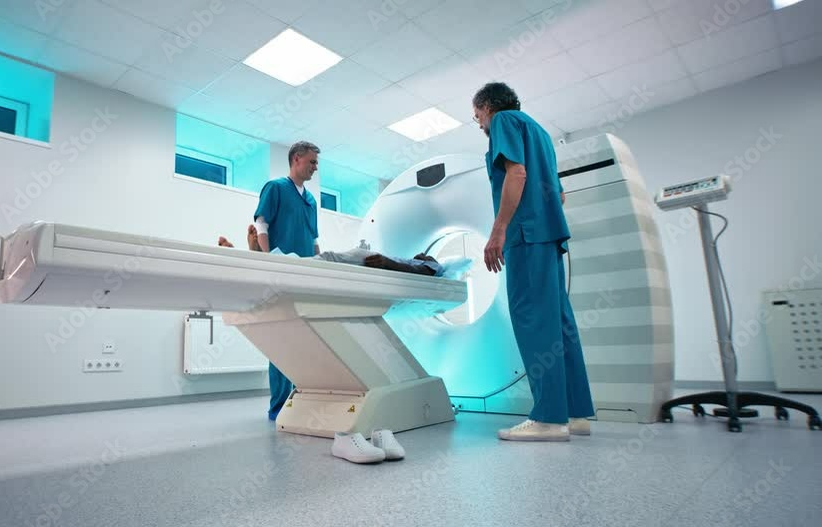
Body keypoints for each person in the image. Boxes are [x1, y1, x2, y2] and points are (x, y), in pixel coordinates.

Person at [473, 82, 595, 442]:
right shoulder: (539, 131)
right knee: (559, 324)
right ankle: (574, 413)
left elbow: (517, 173)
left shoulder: (504, 122)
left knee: (533, 322)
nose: (479, 124)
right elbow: (558, 192)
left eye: (477, 116)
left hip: (525, 236)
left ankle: (548, 418)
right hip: (549, 233)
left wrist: (499, 231)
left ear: (488, 108)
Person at [253, 141, 322, 421]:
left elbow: (314, 239)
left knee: (305, 339)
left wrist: (321, 266)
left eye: (316, 163)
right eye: (312, 162)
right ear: (296, 159)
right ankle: (279, 407)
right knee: (282, 341)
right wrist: (269, 260)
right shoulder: (276, 188)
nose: (315, 168)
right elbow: (261, 224)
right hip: (282, 273)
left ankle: (302, 399)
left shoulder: (311, 200)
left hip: (306, 274)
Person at [217, 225, 444, 277]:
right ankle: (265, 258)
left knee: (328, 259)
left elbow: (428, 271)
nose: (420, 254)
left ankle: (265, 258)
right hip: (371, 258)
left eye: (425, 254)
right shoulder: (413, 261)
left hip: (373, 261)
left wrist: (388, 263)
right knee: (326, 259)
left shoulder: (434, 267)